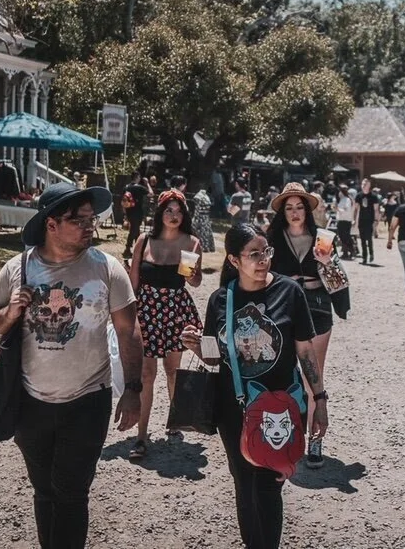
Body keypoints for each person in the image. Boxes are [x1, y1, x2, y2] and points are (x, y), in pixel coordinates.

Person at [0, 181, 142, 549]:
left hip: (88, 398)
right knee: (43, 489)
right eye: (79, 220)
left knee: (71, 491)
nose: (90, 227)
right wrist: (9, 313)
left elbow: (129, 331)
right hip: (30, 399)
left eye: (91, 219)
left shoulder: (106, 269)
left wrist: (133, 389)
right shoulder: (18, 266)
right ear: (51, 224)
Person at [179, 224, 328, 549]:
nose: (263, 260)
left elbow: (305, 351)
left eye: (267, 251)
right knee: (245, 485)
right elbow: (217, 360)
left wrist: (320, 400)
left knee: (269, 484)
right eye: (254, 254)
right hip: (234, 410)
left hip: (282, 406)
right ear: (234, 260)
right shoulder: (221, 300)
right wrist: (196, 347)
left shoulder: (290, 292)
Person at [266, 181, 342, 468]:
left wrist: (327, 263)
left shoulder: (322, 238)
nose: (295, 212)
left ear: (307, 210)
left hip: (318, 308)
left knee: (314, 377)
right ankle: (283, 436)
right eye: (289, 208)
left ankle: (315, 440)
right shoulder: (272, 239)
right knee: (282, 375)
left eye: (299, 207)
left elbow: (338, 284)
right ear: (282, 212)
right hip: (284, 308)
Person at [127, 189, 202, 460]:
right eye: (169, 210)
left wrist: (194, 275)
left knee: (173, 370)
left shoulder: (192, 242)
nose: (174, 215)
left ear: (184, 214)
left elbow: (194, 282)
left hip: (175, 309)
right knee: (147, 374)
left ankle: (175, 417)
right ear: (160, 213)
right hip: (146, 310)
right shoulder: (144, 240)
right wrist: (129, 316)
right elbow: (133, 282)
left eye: (179, 211)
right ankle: (141, 436)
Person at [352, 179, 381, 265]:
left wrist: (376, 220)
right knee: (363, 239)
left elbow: (376, 209)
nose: (364, 185)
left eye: (366, 184)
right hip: (361, 220)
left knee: (369, 238)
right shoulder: (358, 196)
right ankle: (364, 257)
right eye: (363, 184)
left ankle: (371, 253)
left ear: (369, 185)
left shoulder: (373, 196)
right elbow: (356, 209)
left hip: (370, 220)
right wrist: (354, 219)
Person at [122, 170, 149, 260]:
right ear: (137, 177)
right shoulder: (140, 188)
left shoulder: (126, 187)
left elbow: (123, 202)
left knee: (135, 229)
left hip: (129, 211)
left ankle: (139, 248)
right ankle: (128, 247)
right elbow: (151, 194)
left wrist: (125, 213)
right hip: (137, 211)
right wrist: (147, 183)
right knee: (134, 229)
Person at [190, 183, 216, 254]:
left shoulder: (198, 197)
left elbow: (197, 210)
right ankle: (205, 247)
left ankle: (202, 247)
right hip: (205, 218)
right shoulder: (206, 197)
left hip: (200, 218)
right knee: (204, 233)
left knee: (200, 233)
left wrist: (195, 219)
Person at [334, 185, 356, 260]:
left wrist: (338, 209)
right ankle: (345, 252)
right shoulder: (341, 200)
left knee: (346, 237)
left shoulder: (347, 199)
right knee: (342, 237)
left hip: (346, 221)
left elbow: (346, 210)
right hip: (341, 220)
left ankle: (352, 251)